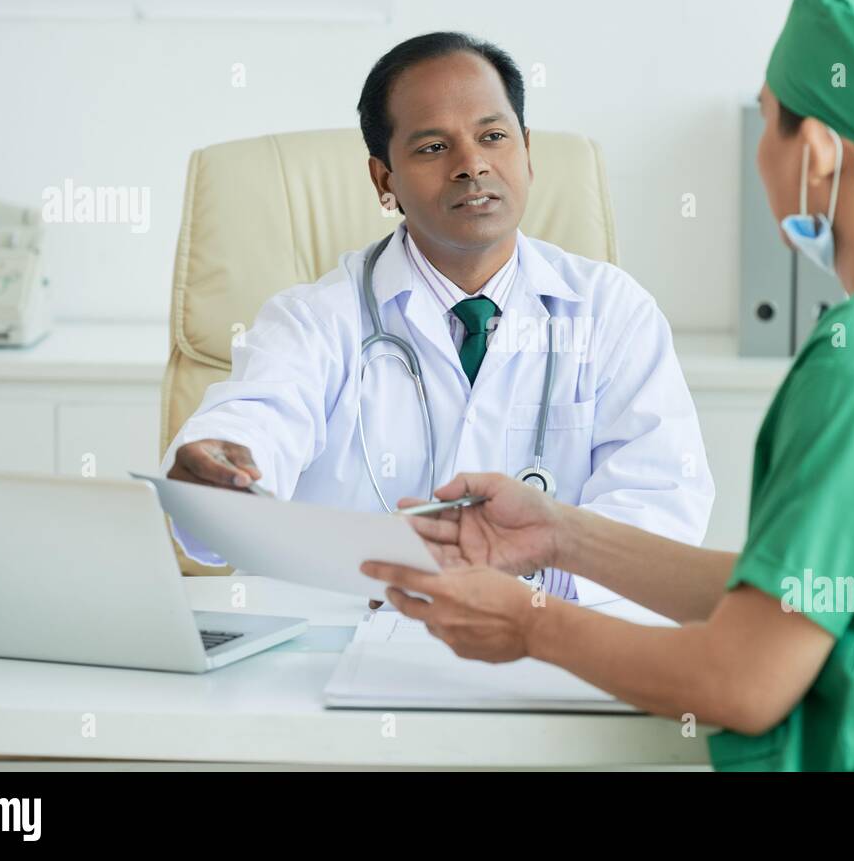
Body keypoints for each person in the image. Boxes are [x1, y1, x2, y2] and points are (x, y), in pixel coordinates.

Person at [362, 0, 854, 770]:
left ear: (818, 152)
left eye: (769, 124)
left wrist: (528, 624)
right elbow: (815, 595)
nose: (762, 153)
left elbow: (741, 679)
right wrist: (558, 536)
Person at [164, 32, 715, 607]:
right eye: (432, 148)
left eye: (493, 137)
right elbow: (253, 421)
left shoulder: (611, 312)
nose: (472, 165)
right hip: (336, 654)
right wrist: (217, 477)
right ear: (385, 181)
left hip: (547, 645)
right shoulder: (314, 320)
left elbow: (663, 507)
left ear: (527, 152)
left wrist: (528, 579)